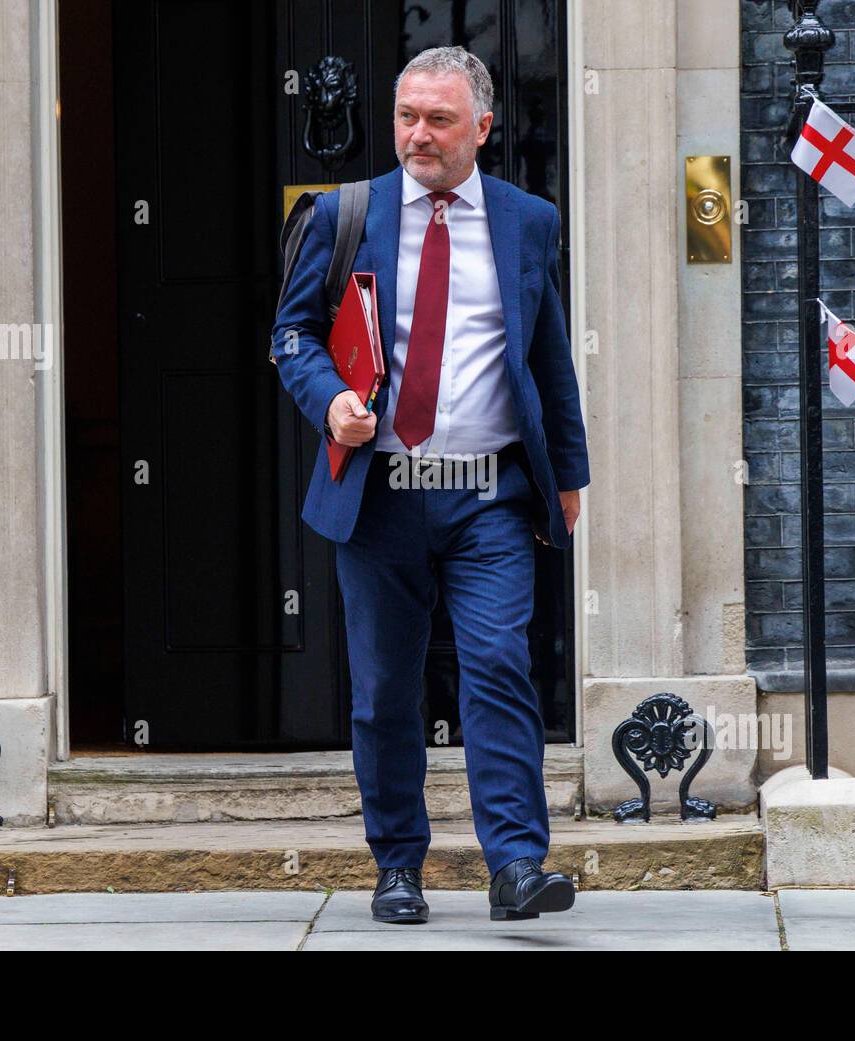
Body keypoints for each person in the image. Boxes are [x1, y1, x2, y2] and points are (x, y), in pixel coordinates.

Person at [271, 45, 590, 924]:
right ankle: (397, 864)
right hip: (381, 497)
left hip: (489, 494)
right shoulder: (345, 214)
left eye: (438, 119)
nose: (417, 133)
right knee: (382, 688)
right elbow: (291, 335)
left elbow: (546, 354)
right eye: (408, 115)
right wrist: (331, 401)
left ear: (481, 128)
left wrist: (568, 473)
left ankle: (517, 864)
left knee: (497, 666)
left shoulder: (527, 221)